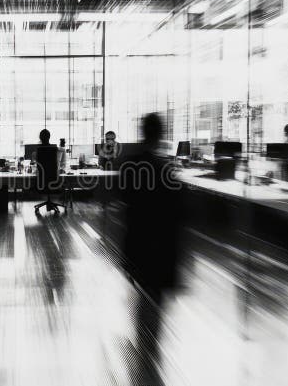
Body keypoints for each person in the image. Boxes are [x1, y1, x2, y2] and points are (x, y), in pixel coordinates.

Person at [119, 114, 182, 386]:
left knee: (143, 293)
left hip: (137, 239)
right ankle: (148, 355)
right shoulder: (165, 169)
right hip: (159, 243)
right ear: (161, 135)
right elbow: (177, 214)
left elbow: (124, 202)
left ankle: (142, 352)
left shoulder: (129, 164)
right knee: (153, 297)